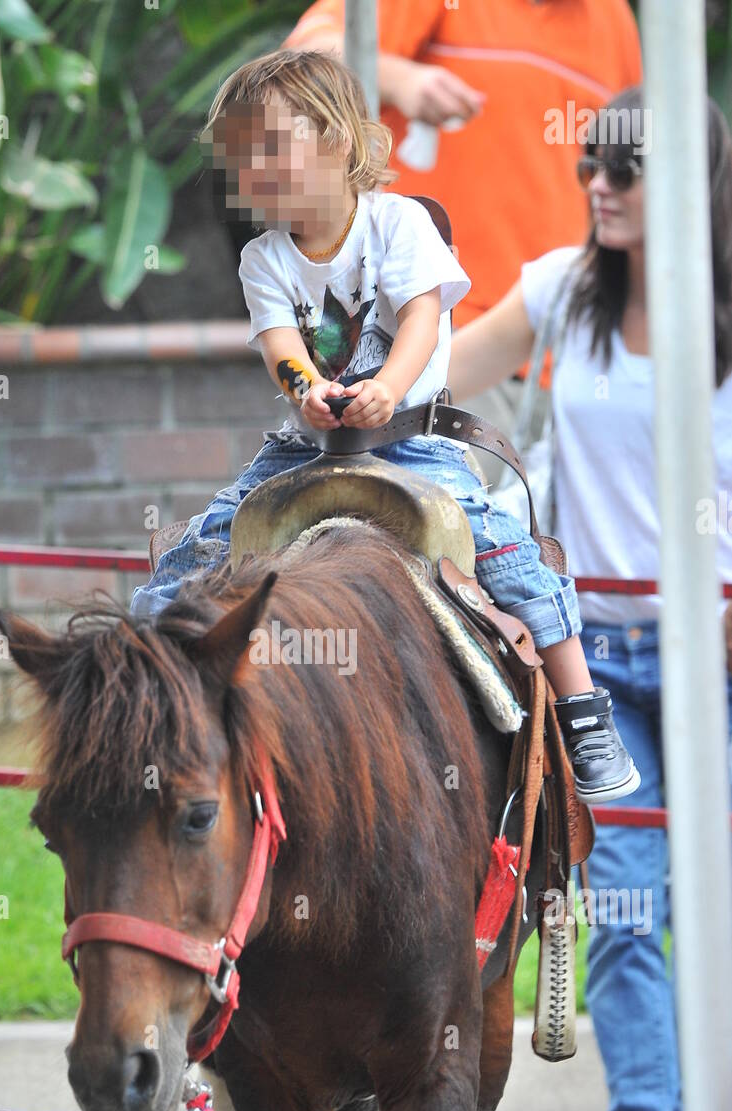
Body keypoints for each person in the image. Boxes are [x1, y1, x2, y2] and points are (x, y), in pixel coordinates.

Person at [132, 48, 639, 805]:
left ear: (337, 141)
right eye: (241, 160)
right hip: (308, 445)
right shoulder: (262, 259)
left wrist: (387, 390)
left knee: (507, 552)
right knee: (198, 547)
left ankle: (580, 711)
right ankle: (149, 690)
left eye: (272, 148)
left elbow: (420, 318)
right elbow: (281, 347)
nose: (253, 173)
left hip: (411, 440)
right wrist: (306, 393)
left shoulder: (398, 224)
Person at [447, 86, 732, 1111]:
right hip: (598, 663)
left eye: (624, 170)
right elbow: (429, 382)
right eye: (592, 169)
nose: (599, 186)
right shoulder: (564, 294)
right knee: (618, 908)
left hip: (715, 651)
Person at [282, 0, 643, 475]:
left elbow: (637, 159)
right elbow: (302, 66)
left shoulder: (612, 19)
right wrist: (400, 79)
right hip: (442, 350)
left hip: (571, 359)